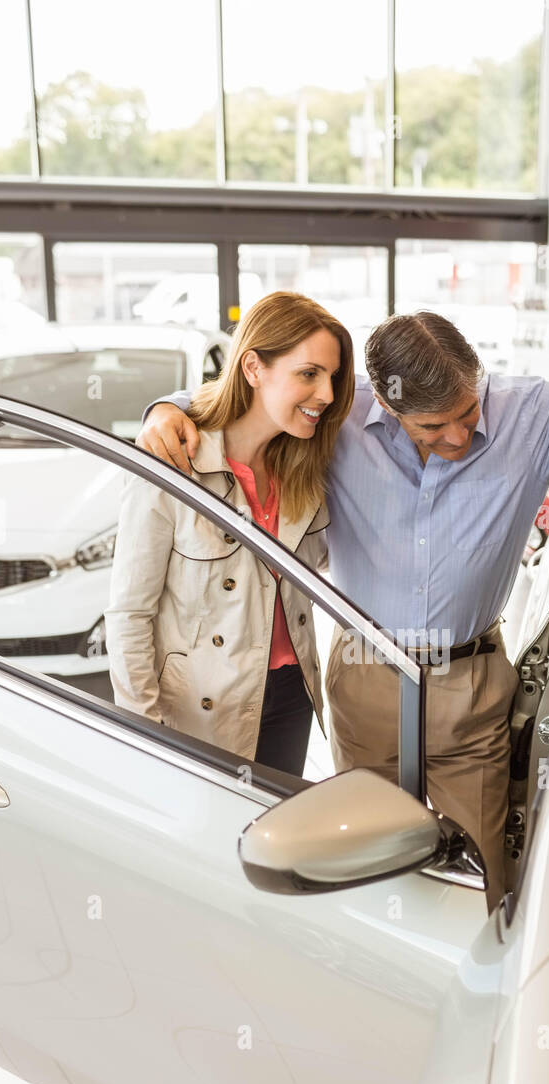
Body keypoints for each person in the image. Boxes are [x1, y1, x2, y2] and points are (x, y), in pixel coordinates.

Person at [138, 311, 549, 907]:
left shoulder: (530, 416)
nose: (456, 437)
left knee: (476, 884)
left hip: (469, 690)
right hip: (365, 682)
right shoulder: (338, 418)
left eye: (467, 414)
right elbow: (249, 403)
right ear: (388, 404)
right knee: (362, 871)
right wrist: (167, 409)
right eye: (432, 426)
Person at [106, 290, 354, 776]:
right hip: (200, 709)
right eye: (309, 374)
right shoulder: (172, 460)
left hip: (292, 693)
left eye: (332, 376)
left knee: (272, 822)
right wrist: (143, 732)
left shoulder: (304, 465)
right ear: (254, 368)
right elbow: (130, 614)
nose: (327, 394)